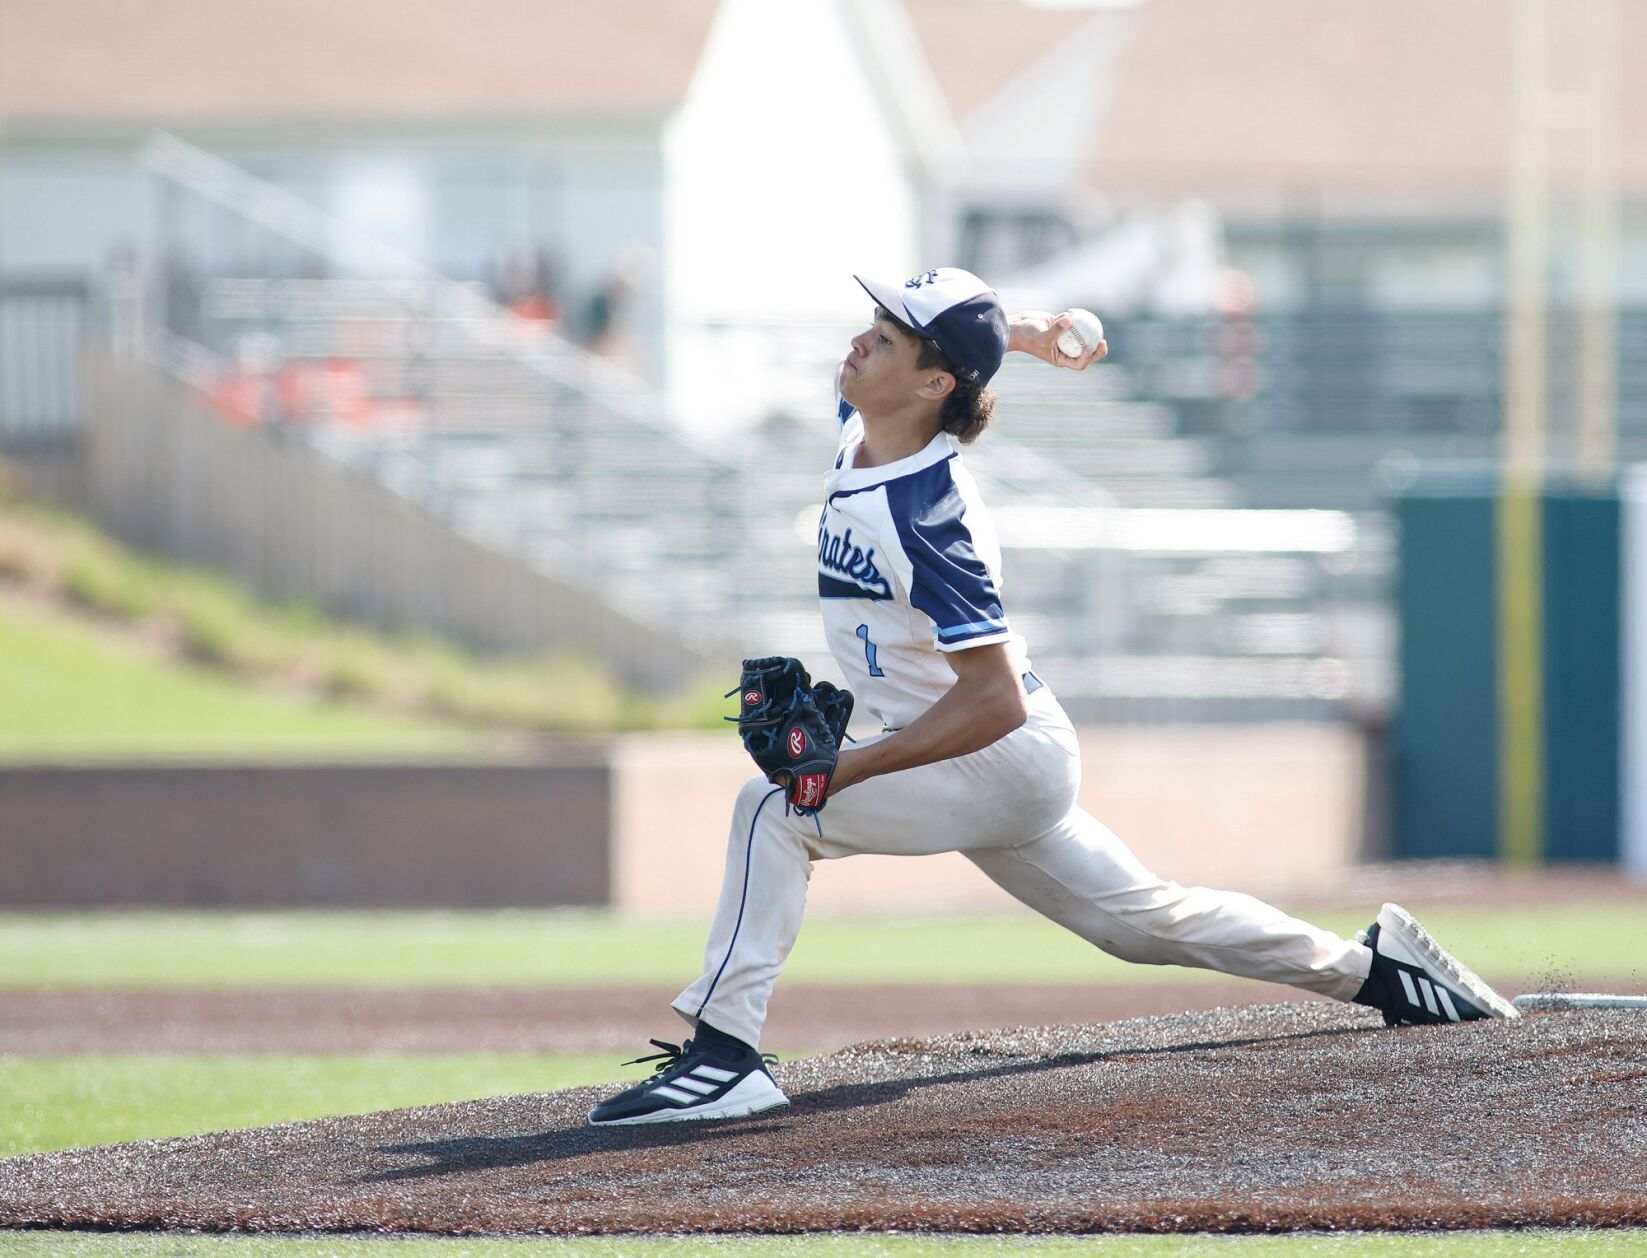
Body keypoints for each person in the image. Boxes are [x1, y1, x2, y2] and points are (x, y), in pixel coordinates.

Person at [586, 268, 1517, 1127]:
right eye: (874, 321)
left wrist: (846, 768)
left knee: (775, 808)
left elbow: (990, 702)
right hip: (987, 752)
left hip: (995, 752)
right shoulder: (864, 423)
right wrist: (1025, 332)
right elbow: (941, 357)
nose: (862, 341)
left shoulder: (928, 518)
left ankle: (723, 1056)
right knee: (1144, 923)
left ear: (932, 384)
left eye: (890, 336)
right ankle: (1380, 975)